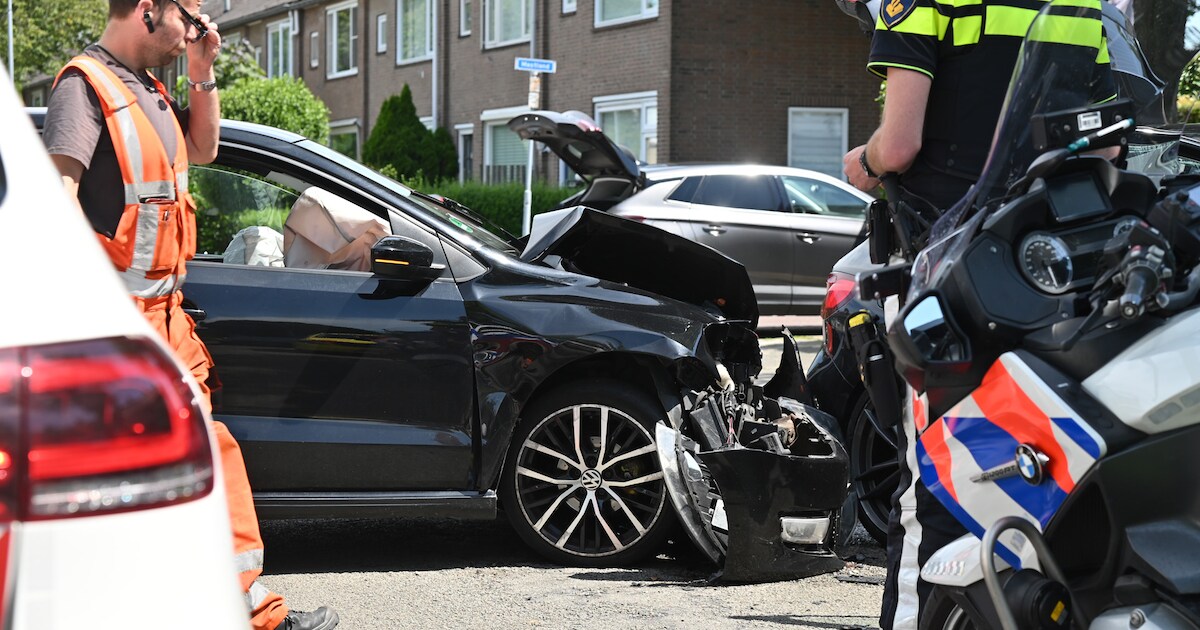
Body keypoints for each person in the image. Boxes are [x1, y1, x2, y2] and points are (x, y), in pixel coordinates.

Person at [41, 2, 338, 629]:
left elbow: (203, 147)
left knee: (172, 476)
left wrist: (202, 71)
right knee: (191, 465)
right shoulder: (84, 89)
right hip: (123, 333)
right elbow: (53, 216)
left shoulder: (147, 89)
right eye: (193, 16)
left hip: (163, 324)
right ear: (149, 10)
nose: (200, 29)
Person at [839, 0, 1114, 627]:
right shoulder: (1085, 5)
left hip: (949, 277)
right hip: (1052, 269)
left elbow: (900, 145)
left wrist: (864, 161)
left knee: (938, 481)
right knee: (1043, 465)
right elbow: (1105, 147)